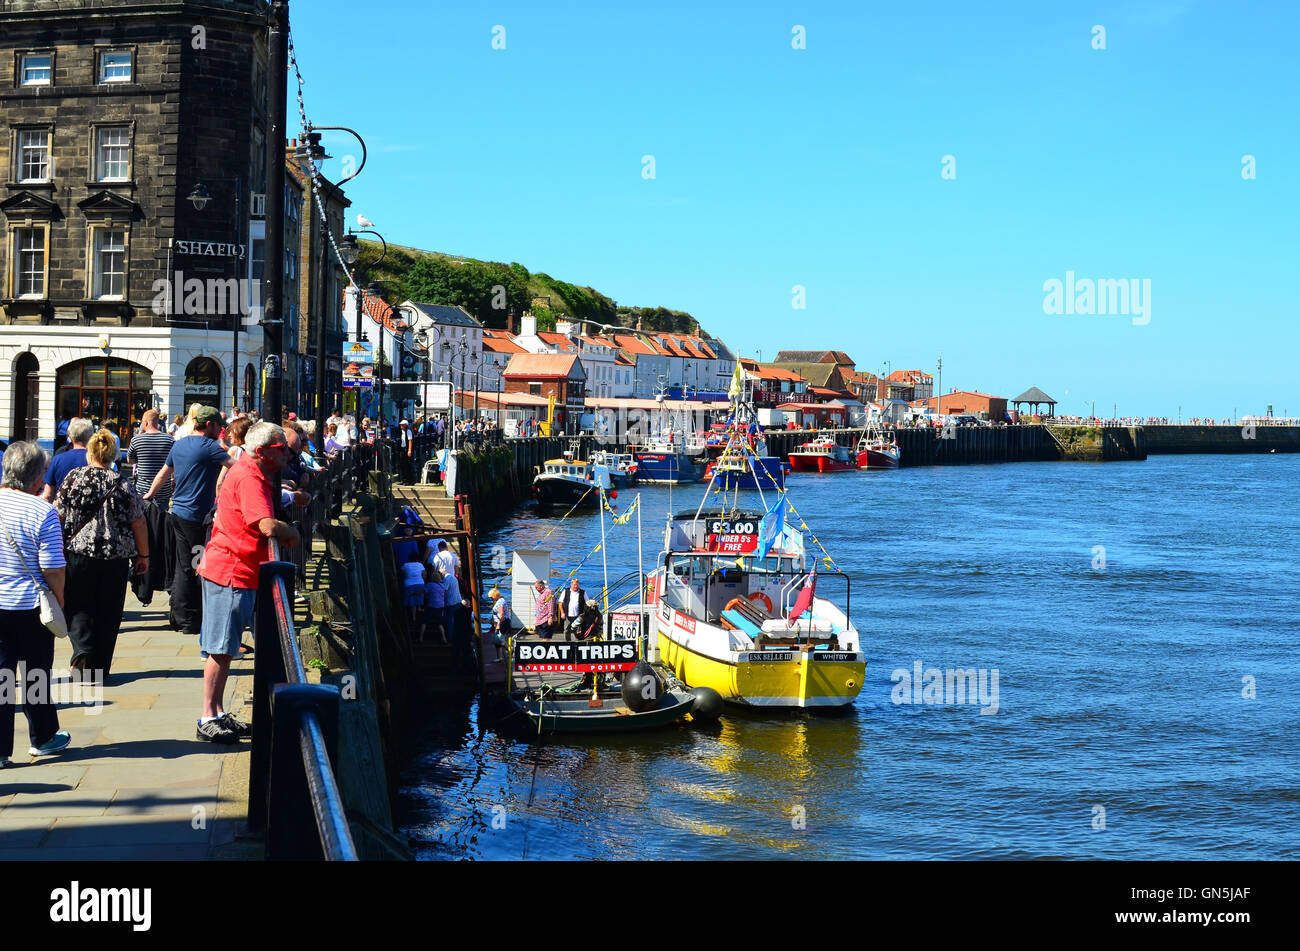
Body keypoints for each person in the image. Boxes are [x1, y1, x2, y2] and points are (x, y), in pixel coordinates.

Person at [195, 422, 299, 743]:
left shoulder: (250, 472)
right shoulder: (250, 478)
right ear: (262, 451)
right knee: (220, 648)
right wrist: (291, 532)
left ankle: (218, 711)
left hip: (235, 568)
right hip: (231, 570)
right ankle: (208, 716)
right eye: (282, 449)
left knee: (224, 647)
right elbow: (265, 525)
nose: (287, 455)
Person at [55, 429, 148, 681]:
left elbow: (58, 514)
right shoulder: (123, 483)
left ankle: (82, 649)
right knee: (109, 612)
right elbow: (138, 522)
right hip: (114, 557)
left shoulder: (73, 478)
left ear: (90, 453)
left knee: (78, 604)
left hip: (78, 553)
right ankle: (100, 669)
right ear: (112, 455)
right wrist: (143, 556)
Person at [0, 442, 71, 766]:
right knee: (34, 676)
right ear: (37, 477)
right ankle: (42, 737)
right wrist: (60, 598)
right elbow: (53, 568)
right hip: (30, 607)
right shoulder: (43, 511)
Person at [144, 405, 232, 636]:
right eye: (218, 426)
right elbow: (238, 468)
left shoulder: (179, 444)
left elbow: (164, 473)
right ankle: (189, 618)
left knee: (184, 564)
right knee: (194, 566)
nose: (220, 430)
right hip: (197, 517)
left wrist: (150, 494)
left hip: (179, 513)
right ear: (210, 425)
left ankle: (180, 613)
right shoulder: (210, 448)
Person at [128, 409, 175, 603]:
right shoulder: (169, 440)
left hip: (142, 493)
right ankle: (157, 557)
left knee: (142, 526)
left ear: (146, 422)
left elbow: (131, 460)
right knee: (161, 527)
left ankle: (145, 554)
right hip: (163, 492)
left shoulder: (137, 440)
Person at [42, 417, 93, 501]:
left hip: (62, 511)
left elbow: (48, 495)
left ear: (71, 437)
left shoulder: (58, 459)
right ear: (90, 437)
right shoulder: (96, 460)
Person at [402, 550, 427, 640]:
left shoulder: (405, 565)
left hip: (409, 584)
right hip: (419, 584)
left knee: (412, 601)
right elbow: (424, 574)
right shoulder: (420, 565)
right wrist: (423, 581)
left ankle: (413, 617)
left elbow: (402, 573)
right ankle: (419, 610)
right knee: (418, 599)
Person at [424, 564, 446, 643]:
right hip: (441, 606)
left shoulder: (429, 585)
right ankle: (444, 638)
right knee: (439, 623)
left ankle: (420, 637)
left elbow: (425, 593)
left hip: (432, 605)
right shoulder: (442, 586)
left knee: (424, 621)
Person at [489, 586, 510, 661]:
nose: (491, 599)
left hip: (502, 623)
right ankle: (500, 657)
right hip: (500, 622)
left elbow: (501, 614)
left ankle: (510, 651)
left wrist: (498, 624)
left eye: (491, 597)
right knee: (498, 641)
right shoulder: (500, 600)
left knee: (500, 640)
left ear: (494, 596)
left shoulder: (500, 602)